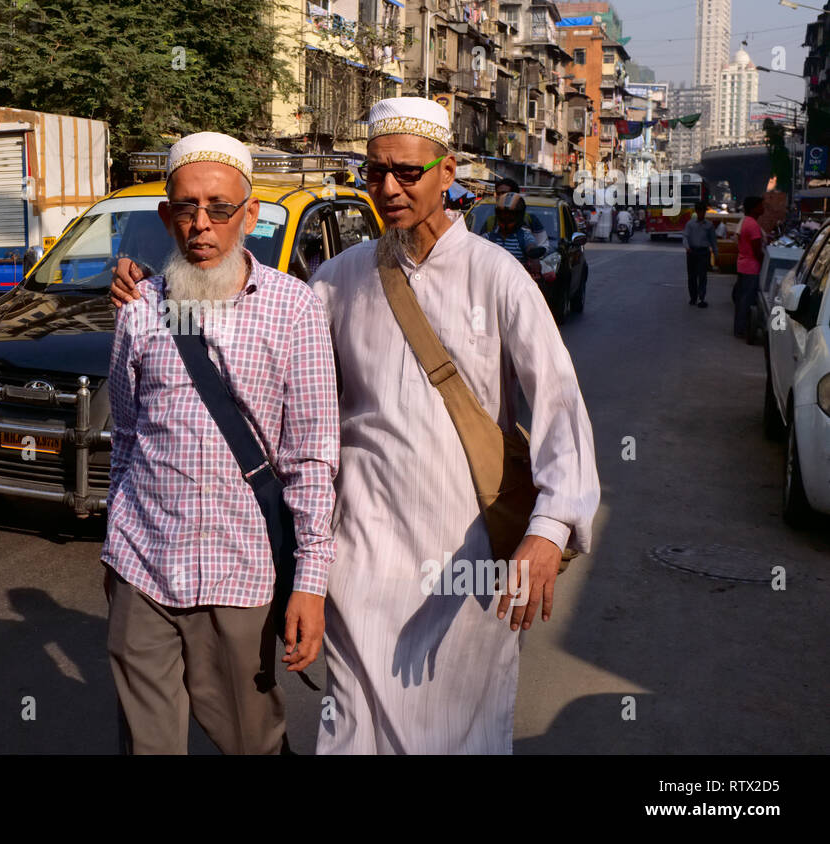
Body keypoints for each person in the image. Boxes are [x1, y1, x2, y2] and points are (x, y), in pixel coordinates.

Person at [110, 98, 600, 754]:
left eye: (407, 172)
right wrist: (153, 289)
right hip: (362, 557)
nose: (389, 189)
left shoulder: (497, 277)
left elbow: (560, 404)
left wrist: (549, 527)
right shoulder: (338, 281)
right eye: (375, 174)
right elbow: (250, 334)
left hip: (463, 557)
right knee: (357, 727)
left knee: (463, 727)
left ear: (446, 171)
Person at [104, 132, 338, 755]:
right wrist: (113, 542)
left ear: (249, 215)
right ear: (166, 216)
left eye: (218, 208)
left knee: (251, 740)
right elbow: (125, 439)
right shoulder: (140, 309)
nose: (200, 226)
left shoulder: (293, 309)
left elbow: (311, 460)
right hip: (142, 569)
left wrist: (310, 584)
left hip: (241, 579)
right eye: (185, 208)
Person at [734, 195, 765, 338]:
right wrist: (765, 261)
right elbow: (757, 250)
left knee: (742, 299)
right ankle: (742, 328)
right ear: (754, 208)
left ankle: (739, 326)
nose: (763, 208)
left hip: (743, 265)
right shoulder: (752, 225)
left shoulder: (746, 221)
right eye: (761, 205)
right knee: (747, 299)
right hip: (751, 267)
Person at [483, 192, 538, 263]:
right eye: (502, 217)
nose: (505, 221)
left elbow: (531, 246)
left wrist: (533, 254)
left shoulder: (525, 237)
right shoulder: (487, 238)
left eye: (510, 218)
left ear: (519, 218)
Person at [682, 201, 717, 308]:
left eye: (703, 212)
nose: (702, 214)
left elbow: (713, 241)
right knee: (692, 276)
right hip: (692, 252)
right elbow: (685, 237)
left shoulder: (709, 225)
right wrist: (687, 247)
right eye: (700, 211)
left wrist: (716, 254)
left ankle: (701, 298)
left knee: (702, 276)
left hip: (703, 253)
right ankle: (693, 297)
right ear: (697, 211)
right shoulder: (690, 224)